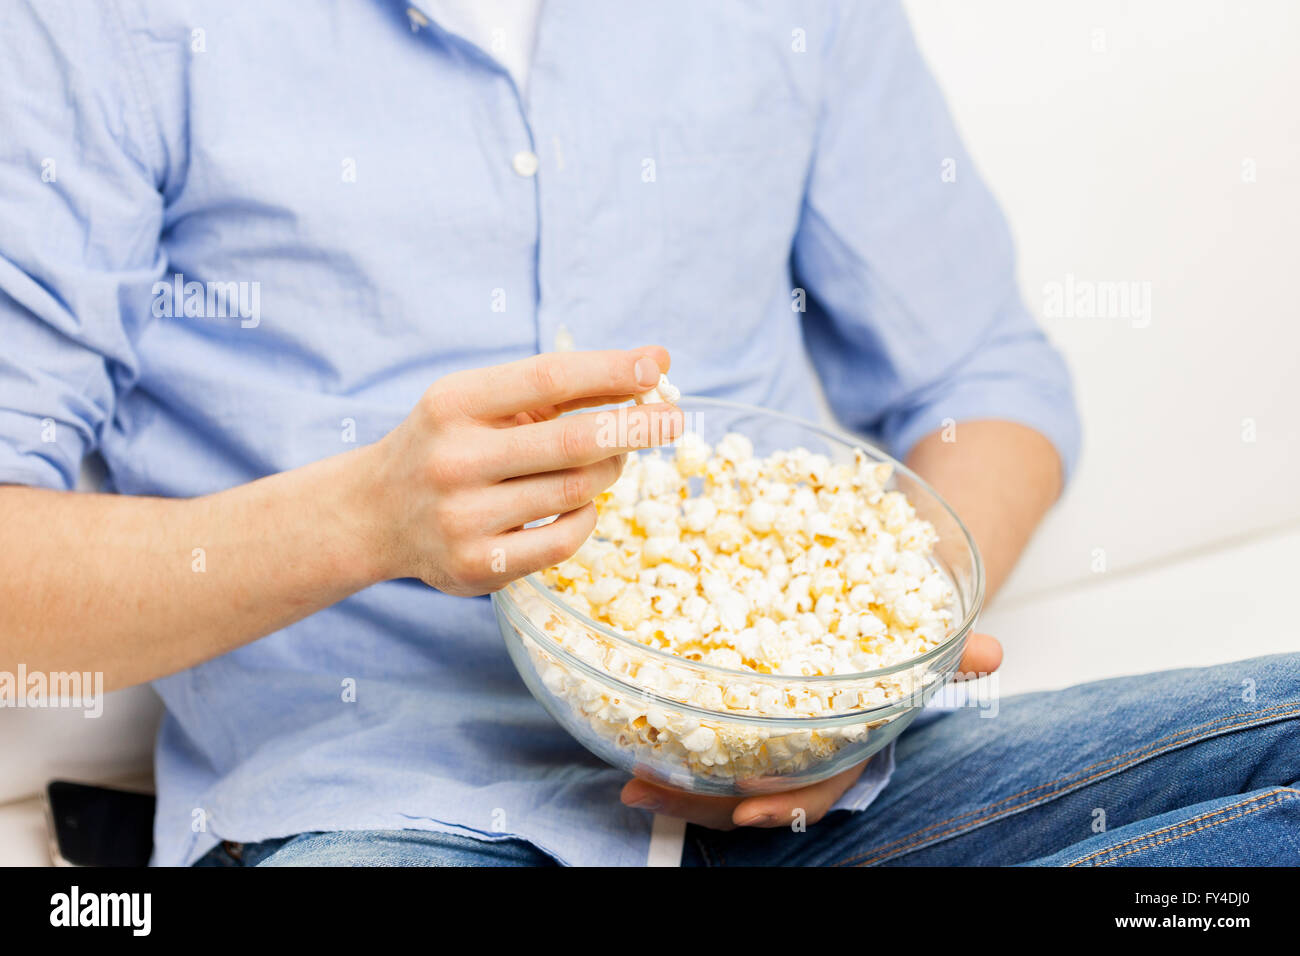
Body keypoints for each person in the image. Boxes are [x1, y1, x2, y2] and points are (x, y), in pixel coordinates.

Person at [1, 0, 1294, 867]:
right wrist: (365, 520)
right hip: (382, 807)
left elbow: (988, 380)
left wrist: (853, 657)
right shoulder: (107, 30)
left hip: (812, 803)